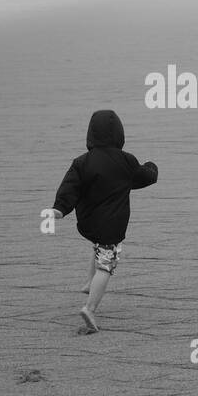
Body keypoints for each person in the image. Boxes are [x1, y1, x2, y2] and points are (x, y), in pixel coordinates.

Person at [52, 109, 158, 333]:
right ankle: (90, 308)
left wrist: (59, 209)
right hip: (112, 225)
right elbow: (144, 177)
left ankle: (89, 283)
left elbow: (70, 186)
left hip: (89, 223)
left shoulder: (82, 162)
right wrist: (152, 168)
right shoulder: (126, 160)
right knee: (106, 266)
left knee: (98, 246)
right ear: (119, 135)